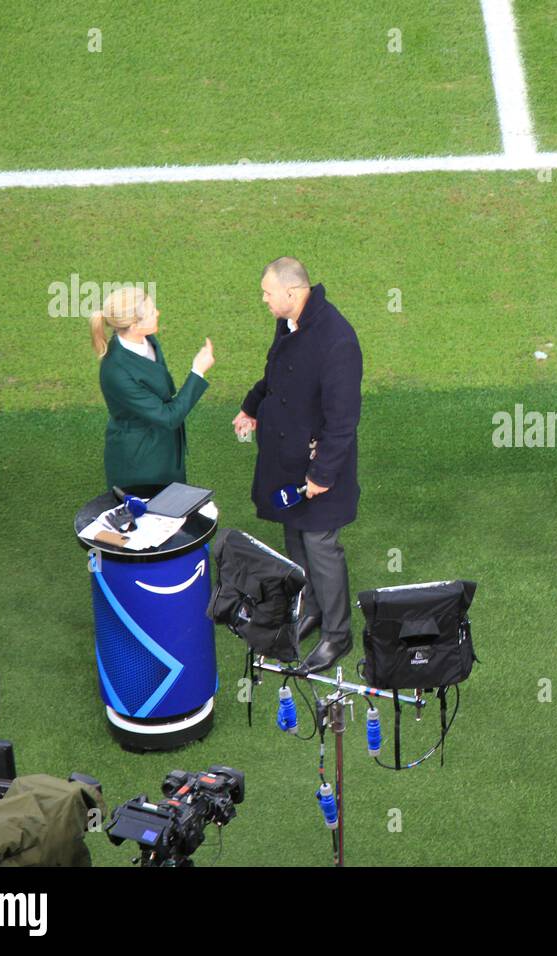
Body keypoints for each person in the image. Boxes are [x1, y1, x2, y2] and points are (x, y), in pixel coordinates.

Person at [233, 257, 362, 672]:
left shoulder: (337, 341)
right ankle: (314, 610)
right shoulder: (290, 322)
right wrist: (252, 406)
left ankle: (337, 635)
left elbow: (343, 420)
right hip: (286, 460)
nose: (264, 300)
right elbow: (276, 373)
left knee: (321, 546)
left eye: (268, 293)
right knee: (295, 538)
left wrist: (322, 474)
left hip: (316, 466)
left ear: (292, 292)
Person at [90, 286, 213, 490]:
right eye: (150, 312)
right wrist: (197, 372)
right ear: (134, 325)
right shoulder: (116, 371)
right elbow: (168, 416)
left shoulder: (147, 340)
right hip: (141, 464)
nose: (157, 313)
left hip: (163, 448)